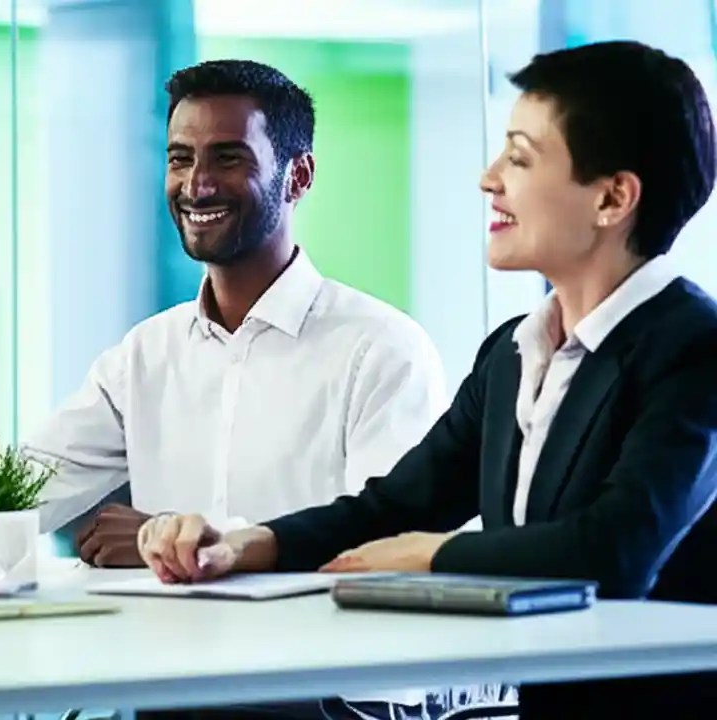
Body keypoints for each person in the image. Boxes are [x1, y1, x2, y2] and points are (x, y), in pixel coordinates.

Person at [0, 61, 490, 719]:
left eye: (228, 158)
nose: (197, 184)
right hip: (178, 687)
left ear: (298, 176)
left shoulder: (380, 349)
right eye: (179, 158)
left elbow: (384, 554)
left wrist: (170, 542)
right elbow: (7, 502)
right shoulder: (147, 354)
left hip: (331, 696)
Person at [138, 40, 717, 718]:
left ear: (613, 197)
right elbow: (397, 505)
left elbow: (616, 549)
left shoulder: (695, 350)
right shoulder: (513, 352)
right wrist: (247, 544)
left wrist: (436, 556)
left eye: (521, 157)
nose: (490, 178)